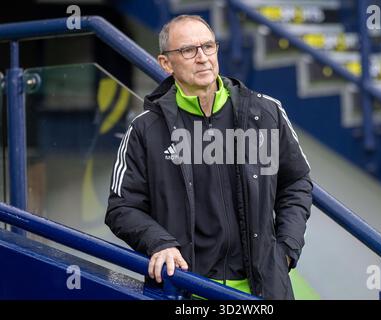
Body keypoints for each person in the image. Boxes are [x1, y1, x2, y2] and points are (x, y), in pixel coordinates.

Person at [105, 14, 313, 300]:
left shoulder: (265, 113)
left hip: (263, 290)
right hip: (186, 289)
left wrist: (287, 248)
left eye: (208, 47)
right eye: (188, 50)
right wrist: (159, 242)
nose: (202, 58)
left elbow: (297, 182)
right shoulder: (145, 129)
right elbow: (121, 208)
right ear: (166, 63)